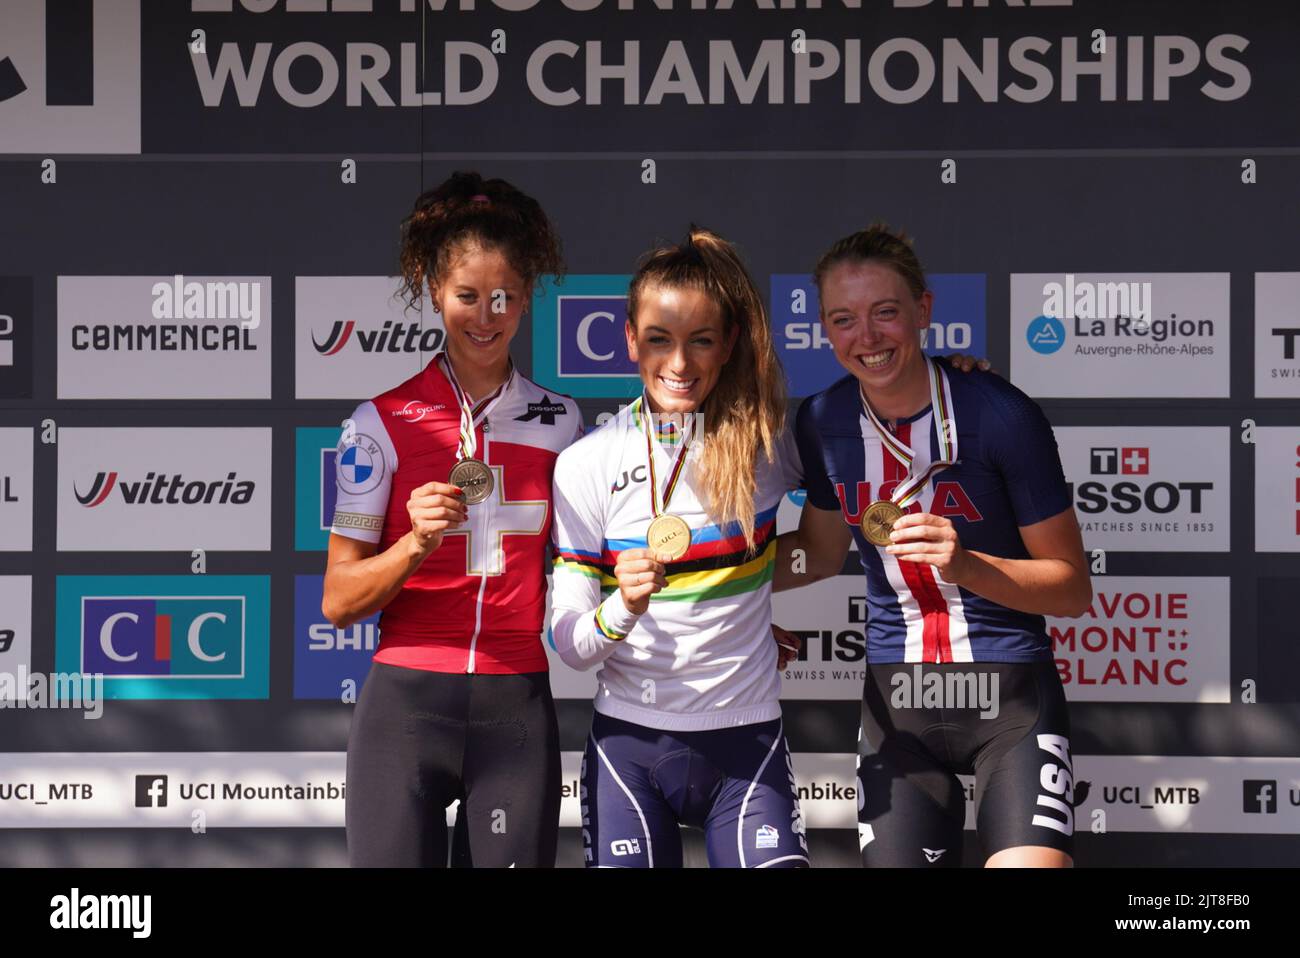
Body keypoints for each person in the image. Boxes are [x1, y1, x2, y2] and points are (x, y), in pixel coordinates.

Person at [774, 224, 1092, 868]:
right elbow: (820, 553)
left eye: (885, 312)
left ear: (923, 309)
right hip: (899, 706)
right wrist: (708, 572)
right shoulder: (821, 421)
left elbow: (1070, 588)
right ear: (825, 330)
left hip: (1009, 696)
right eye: (844, 319)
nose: (867, 337)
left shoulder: (999, 413)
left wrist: (965, 564)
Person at [322, 171, 581, 868]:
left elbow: (597, 567)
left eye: (503, 297)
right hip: (404, 709)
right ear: (435, 291)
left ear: (526, 299)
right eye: (467, 296)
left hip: (516, 709)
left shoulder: (564, 424)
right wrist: (412, 544)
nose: (485, 315)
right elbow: (339, 600)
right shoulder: (375, 424)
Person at [549, 228, 813, 868]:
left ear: (727, 345)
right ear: (631, 339)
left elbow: (882, 424)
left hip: (746, 740)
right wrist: (622, 609)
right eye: (661, 339)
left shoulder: (770, 444)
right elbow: (569, 643)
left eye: (701, 340)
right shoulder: (586, 464)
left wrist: (959, 382)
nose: (680, 363)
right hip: (630, 748)